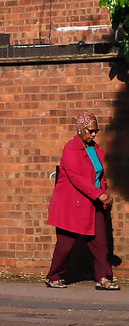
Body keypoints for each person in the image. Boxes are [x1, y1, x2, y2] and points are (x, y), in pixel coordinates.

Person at [45, 111, 118, 290]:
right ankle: (53, 277)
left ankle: (103, 278)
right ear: (80, 129)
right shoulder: (71, 149)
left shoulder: (94, 149)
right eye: (90, 131)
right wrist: (99, 194)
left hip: (94, 204)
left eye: (96, 131)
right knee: (65, 245)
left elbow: (98, 175)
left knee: (100, 243)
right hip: (72, 205)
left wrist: (103, 193)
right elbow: (76, 177)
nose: (93, 134)